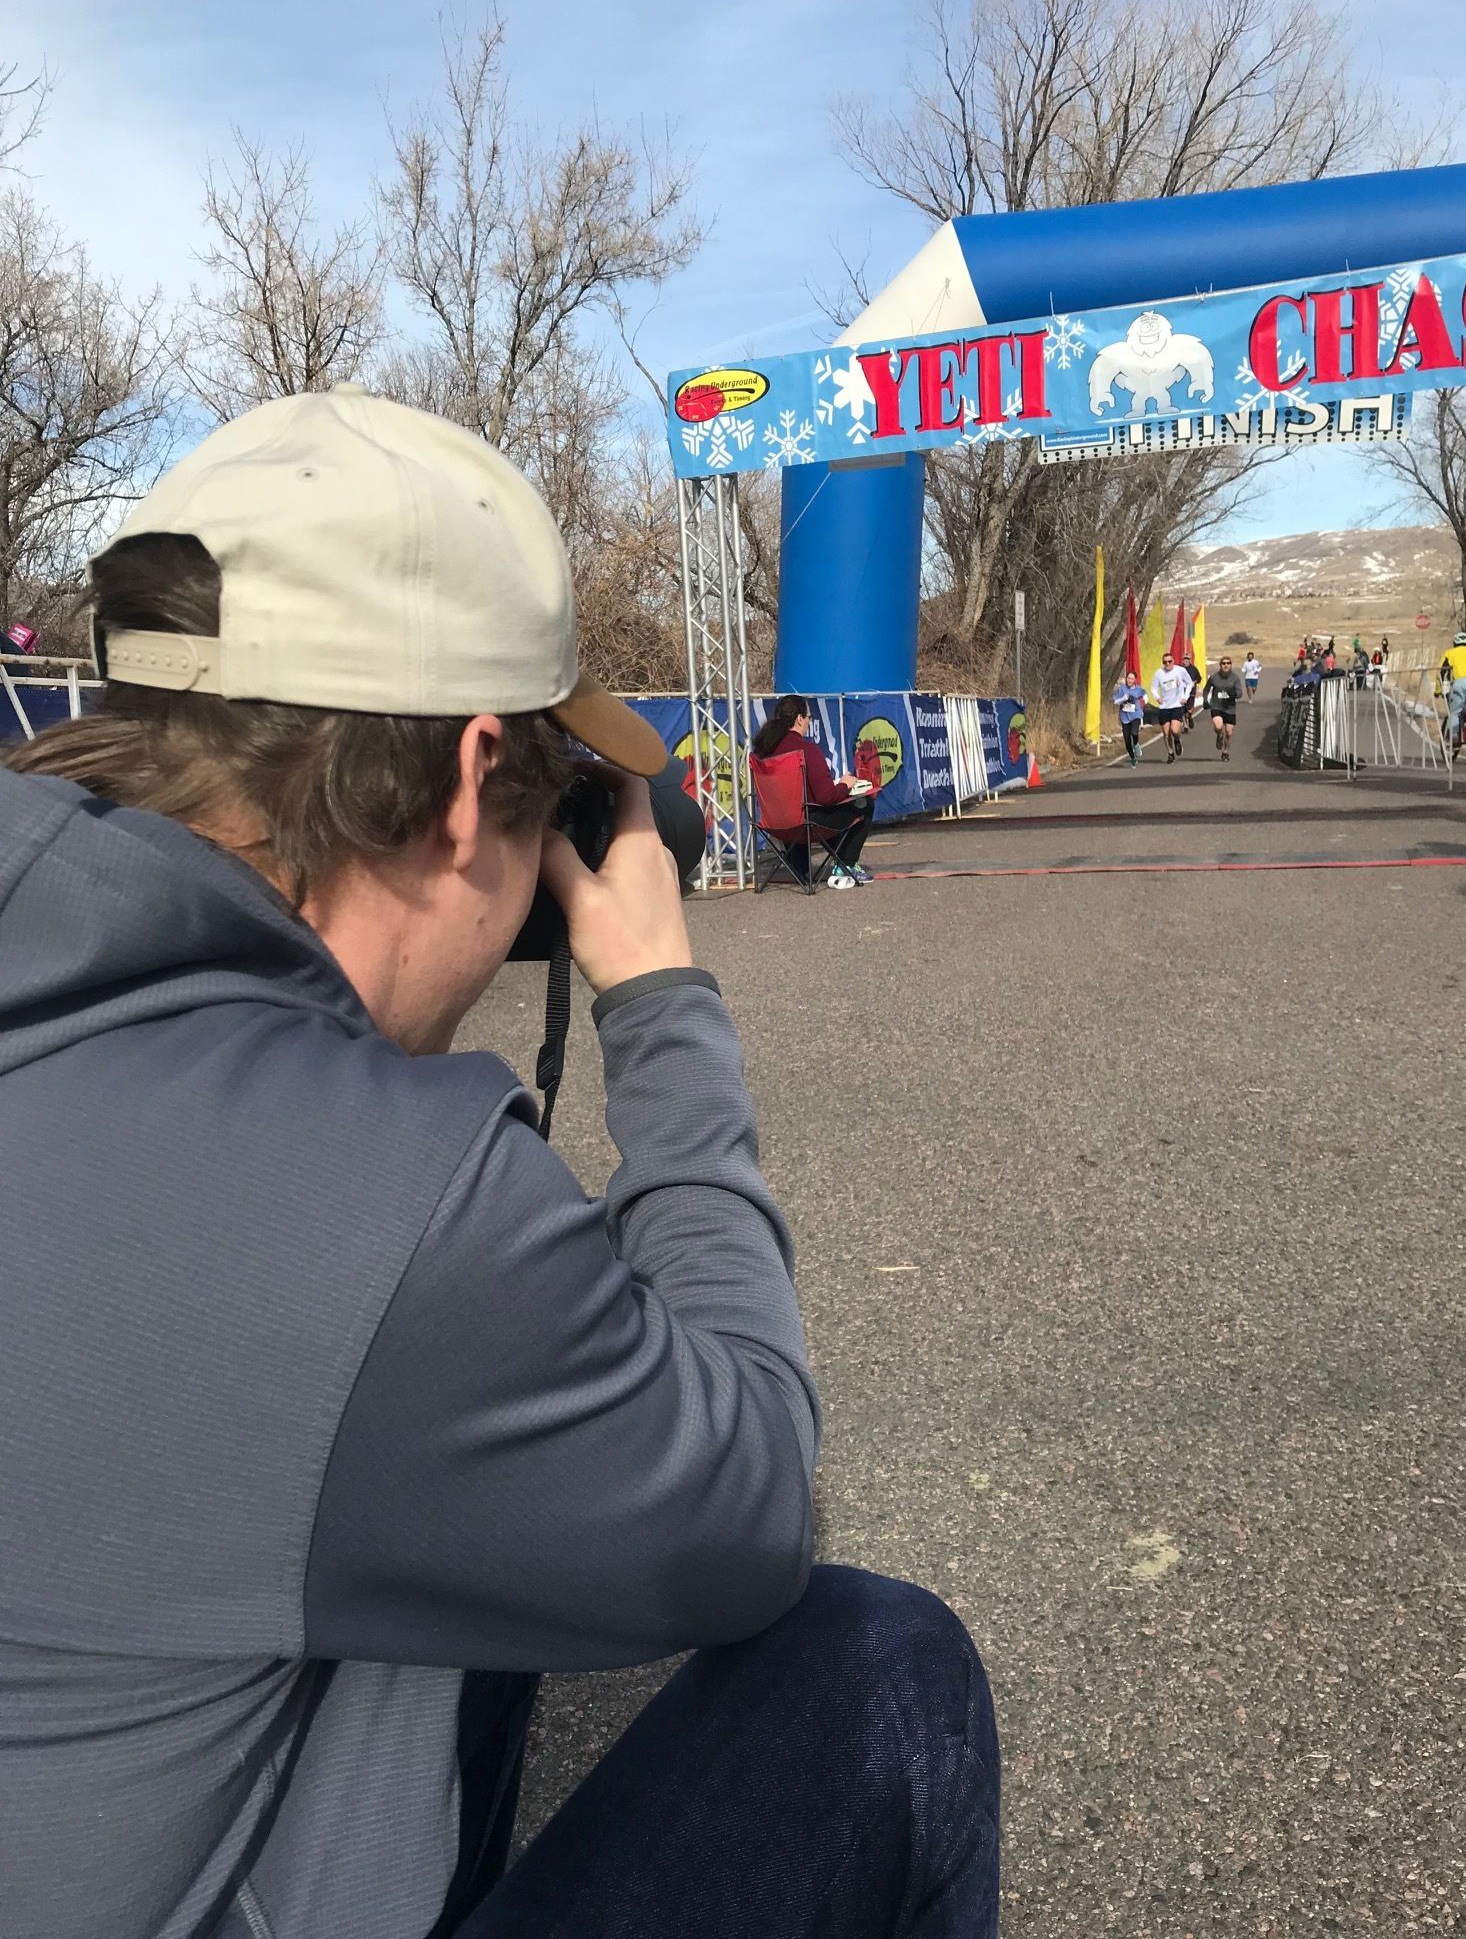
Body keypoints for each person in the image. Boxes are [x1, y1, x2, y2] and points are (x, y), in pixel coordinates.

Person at [0, 387, 999, 1939]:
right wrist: (662, 1006)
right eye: (551, 800)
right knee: (883, 1672)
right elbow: (743, 1507)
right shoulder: (371, 1205)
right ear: (476, 780)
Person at [750, 694, 876, 888]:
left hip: (774, 824)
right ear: (799, 719)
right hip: (806, 822)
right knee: (863, 803)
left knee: (801, 804)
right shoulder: (806, 750)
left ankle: (799, 867)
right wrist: (845, 784)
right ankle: (847, 864)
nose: (809, 722)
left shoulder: (763, 751)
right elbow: (828, 797)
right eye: (809, 717)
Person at [1148, 649, 1194, 761]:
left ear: (1173, 661)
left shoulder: (1180, 671)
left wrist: (1185, 697)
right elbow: (1153, 688)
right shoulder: (1159, 674)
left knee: (1174, 730)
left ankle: (1177, 740)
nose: (1167, 664)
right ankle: (1170, 753)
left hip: (1177, 705)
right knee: (1166, 732)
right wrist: (1157, 697)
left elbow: (1189, 683)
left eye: (1169, 661)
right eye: (1165, 662)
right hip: (1164, 706)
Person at [1202, 654, 1242, 761]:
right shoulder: (1214, 677)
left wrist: (1233, 693)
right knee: (1218, 726)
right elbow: (1206, 689)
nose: (1226, 665)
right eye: (1223, 663)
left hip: (1230, 708)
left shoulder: (1235, 678)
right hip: (1217, 706)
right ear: (1220, 665)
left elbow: (1239, 693)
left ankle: (1225, 752)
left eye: (1228, 663)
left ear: (1231, 665)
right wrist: (1205, 700)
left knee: (1229, 733)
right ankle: (1219, 735)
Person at [1112, 669, 1146, 765]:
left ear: (1135, 680)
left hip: (1136, 714)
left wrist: (1145, 700)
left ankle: (1136, 744)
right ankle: (1132, 758)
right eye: (1128, 678)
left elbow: (1144, 694)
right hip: (1125, 717)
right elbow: (1115, 701)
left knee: (1134, 733)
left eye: (1132, 679)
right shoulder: (1122, 689)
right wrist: (1123, 699)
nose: (1129, 680)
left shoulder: (1138, 689)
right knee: (1127, 739)